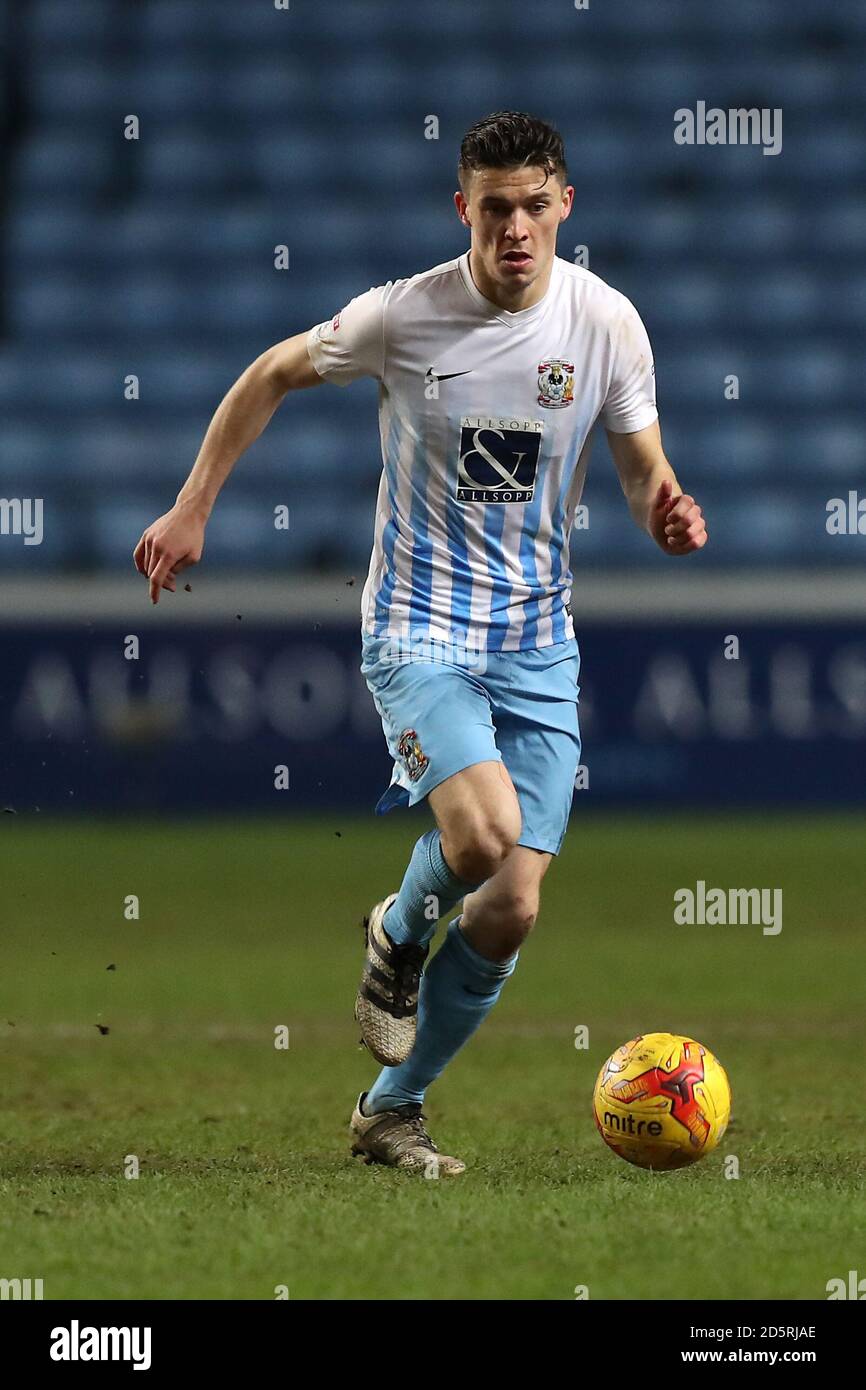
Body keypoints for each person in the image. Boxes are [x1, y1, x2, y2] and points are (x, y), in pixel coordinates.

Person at [134, 110, 707, 1177]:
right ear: (464, 211)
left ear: (563, 206)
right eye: (494, 209)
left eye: (535, 206)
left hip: (537, 638)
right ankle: (397, 931)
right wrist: (192, 505)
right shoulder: (402, 317)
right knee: (481, 837)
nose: (516, 229)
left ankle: (388, 1112)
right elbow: (269, 371)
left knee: (512, 906)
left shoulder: (607, 324)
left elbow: (639, 472)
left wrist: (665, 506)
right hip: (420, 625)